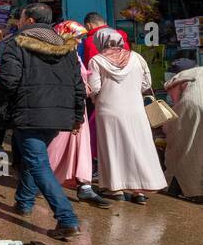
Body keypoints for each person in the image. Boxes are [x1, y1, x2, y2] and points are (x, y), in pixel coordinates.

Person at [0, 3, 85, 239]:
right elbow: (78, 85)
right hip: (57, 116)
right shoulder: (67, 47)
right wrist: (76, 116)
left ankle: (67, 218)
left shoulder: (15, 43)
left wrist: (0, 111)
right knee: (35, 160)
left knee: (38, 163)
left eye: (21, 18)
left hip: (28, 113)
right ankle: (23, 202)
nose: (18, 22)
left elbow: (7, 81)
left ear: (30, 21)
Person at [87, 27, 167, 203]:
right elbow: (147, 83)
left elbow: (95, 88)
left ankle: (116, 189)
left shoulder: (96, 60)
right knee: (137, 146)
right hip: (135, 109)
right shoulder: (137, 58)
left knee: (112, 148)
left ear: (101, 41)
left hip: (108, 110)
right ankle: (139, 191)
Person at [45, 22, 112, 209]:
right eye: (77, 37)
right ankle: (43, 181)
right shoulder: (54, 55)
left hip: (76, 105)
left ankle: (85, 185)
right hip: (62, 107)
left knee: (81, 146)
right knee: (57, 146)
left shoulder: (72, 53)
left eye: (81, 38)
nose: (80, 41)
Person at [164, 67, 203, 200]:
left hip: (192, 106)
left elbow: (171, 127)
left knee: (182, 148)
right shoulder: (197, 72)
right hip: (195, 105)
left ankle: (191, 189)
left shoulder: (179, 78)